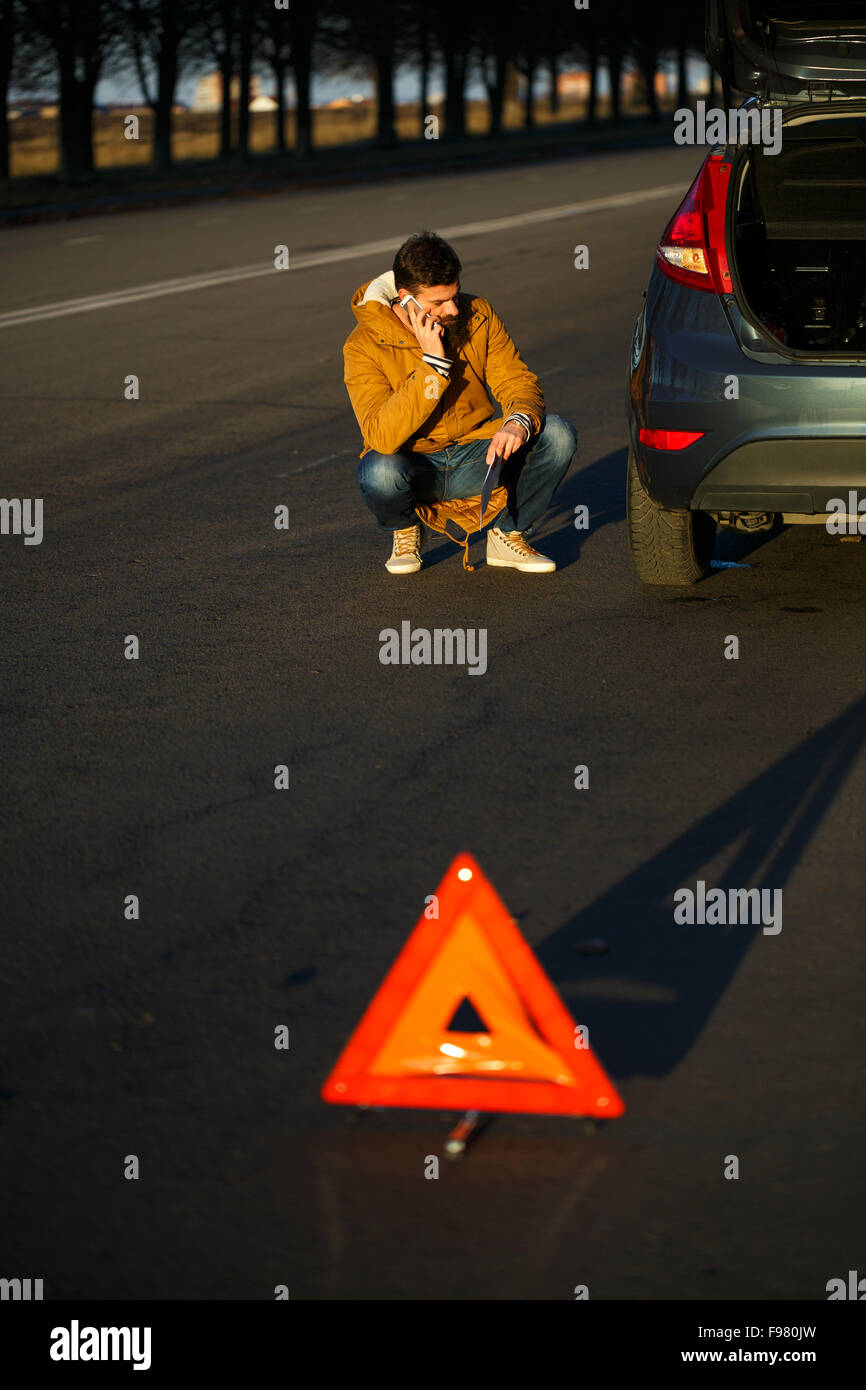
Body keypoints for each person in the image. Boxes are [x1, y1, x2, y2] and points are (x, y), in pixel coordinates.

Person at [343, 230, 578, 574]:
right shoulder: (363, 344)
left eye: (453, 295)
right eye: (438, 303)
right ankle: (405, 530)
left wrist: (517, 420)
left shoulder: (478, 314)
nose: (452, 309)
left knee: (557, 434)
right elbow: (381, 436)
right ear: (406, 298)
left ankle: (508, 534)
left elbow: (515, 379)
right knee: (378, 469)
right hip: (416, 465)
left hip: (478, 453)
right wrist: (434, 368)